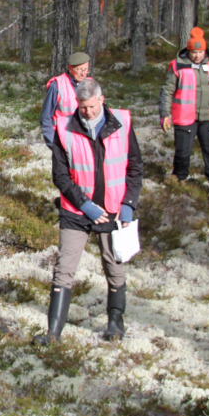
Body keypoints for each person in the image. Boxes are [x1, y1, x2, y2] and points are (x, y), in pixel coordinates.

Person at [47, 78, 142, 342]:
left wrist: (128, 206)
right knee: (64, 269)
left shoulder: (122, 122)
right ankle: (52, 333)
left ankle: (115, 325)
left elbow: (135, 167)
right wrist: (85, 204)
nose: (86, 111)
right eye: (82, 106)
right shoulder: (64, 128)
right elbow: (60, 176)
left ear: (102, 100)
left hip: (113, 211)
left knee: (114, 267)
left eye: (90, 106)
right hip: (76, 211)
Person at [158, 28, 209, 202]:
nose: (197, 56)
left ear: (205, 50)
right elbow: (166, 91)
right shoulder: (177, 65)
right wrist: (164, 114)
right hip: (185, 118)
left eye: (200, 52)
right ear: (188, 51)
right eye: (194, 52)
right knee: (183, 153)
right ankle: (179, 180)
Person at [39, 52, 90, 147]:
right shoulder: (57, 86)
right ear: (70, 68)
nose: (83, 73)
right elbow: (46, 119)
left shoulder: (92, 85)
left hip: (85, 144)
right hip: (62, 142)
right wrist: (54, 145)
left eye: (85, 69)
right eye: (79, 69)